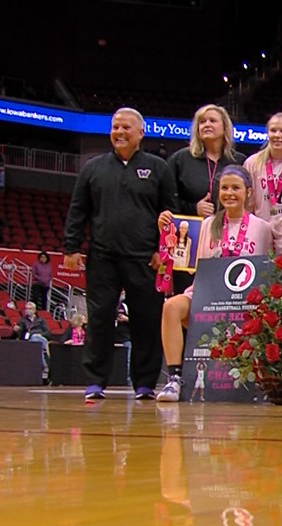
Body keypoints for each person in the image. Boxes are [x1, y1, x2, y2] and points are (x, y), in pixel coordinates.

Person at [65, 107, 177, 400]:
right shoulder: (93, 168)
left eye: (127, 127)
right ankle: (95, 381)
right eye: (116, 127)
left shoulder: (158, 168)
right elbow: (78, 210)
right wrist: (71, 247)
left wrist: (160, 252)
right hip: (102, 258)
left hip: (145, 259)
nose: (120, 132)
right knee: (100, 318)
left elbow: (170, 214)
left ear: (141, 132)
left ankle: (144, 383)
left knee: (146, 320)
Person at [158, 166, 272, 402]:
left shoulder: (262, 227)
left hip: (244, 303)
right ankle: (174, 379)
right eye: (225, 188)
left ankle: (261, 379)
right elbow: (195, 263)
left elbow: (266, 271)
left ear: (249, 192)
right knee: (171, 307)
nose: (230, 193)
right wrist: (165, 227)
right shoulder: (208, 224)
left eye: (236, 188)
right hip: (208, 295)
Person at [166, 104, 246, 295]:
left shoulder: (239, 161)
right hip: (188, 239)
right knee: (187, 296)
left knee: (223, 294)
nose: (206, 125)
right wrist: (194, 208)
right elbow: (167, 200)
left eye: (212, 121)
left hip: (229, 237)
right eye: (202, 122)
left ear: (225, 127)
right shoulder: (180, 159)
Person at [244, 113, 282, 219]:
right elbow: (247, 204)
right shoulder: (252, 163)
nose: (277, 135)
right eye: (273, 130)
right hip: (261, 227)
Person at [13, 301, 51, 380]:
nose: (27, 310)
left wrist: (40, 335)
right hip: (30, 340)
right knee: (35, 340)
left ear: (34, 310)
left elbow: (47, 332)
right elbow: (21, 334)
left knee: (36, 339)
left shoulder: (41, 320)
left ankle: (44, 368)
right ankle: (45, 365)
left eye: (30, 309)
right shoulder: (22, 320)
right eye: (26, 309)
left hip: (41, 338)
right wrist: (17, 330)